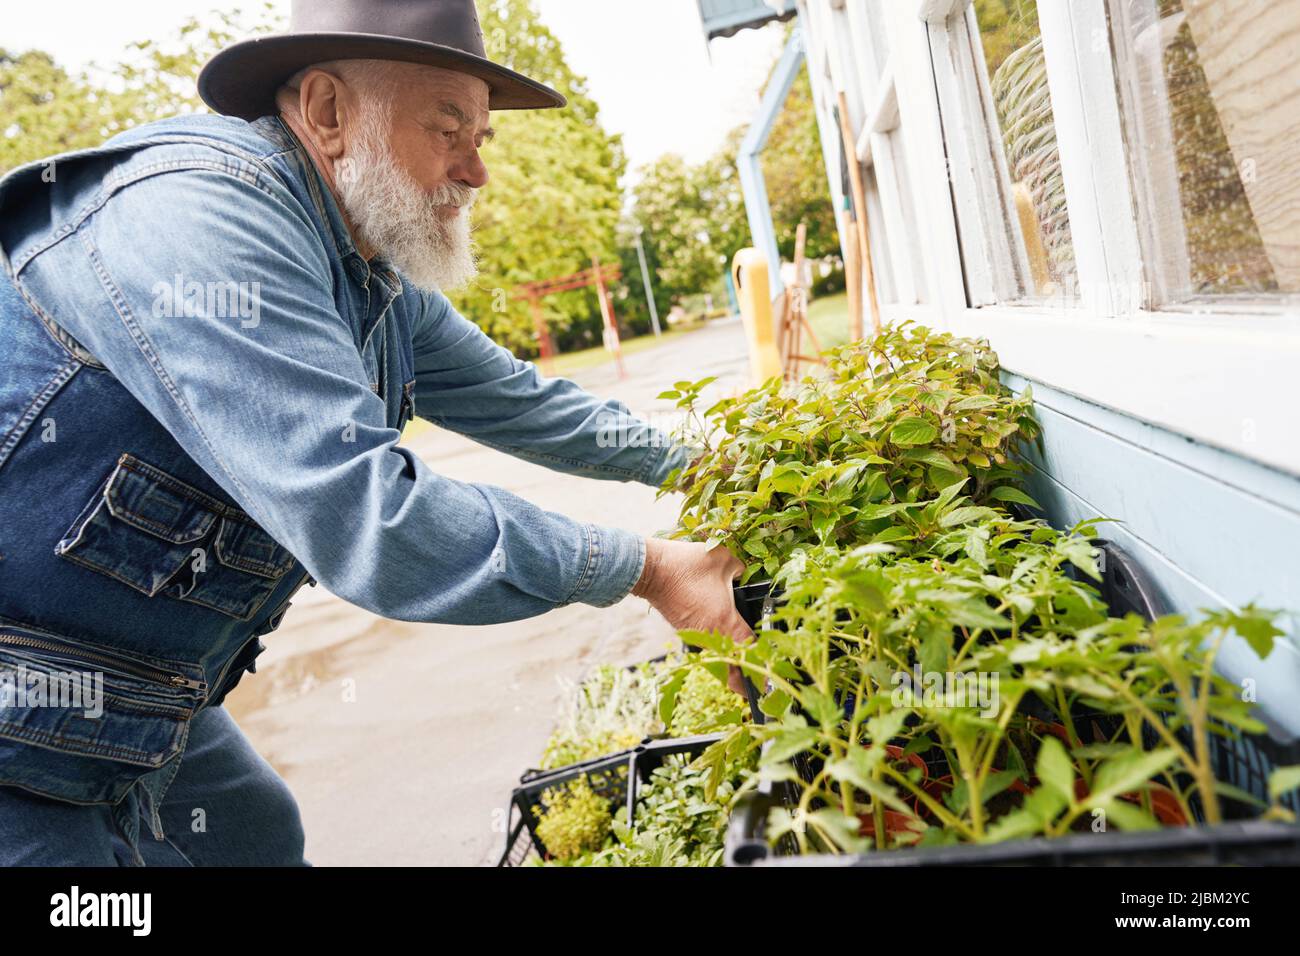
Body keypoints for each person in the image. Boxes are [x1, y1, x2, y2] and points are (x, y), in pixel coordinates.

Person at [0, 0, 750, 866]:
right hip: (24, 717)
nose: (476, 172)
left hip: (143, 694)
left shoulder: (367, 275)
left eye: (482, 138)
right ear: (327, 112)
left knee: (253, 836)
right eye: (448, 129)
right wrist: (647, 568)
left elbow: (524, 400)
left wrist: (722, 459)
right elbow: (364, 514)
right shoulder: (204, 220)